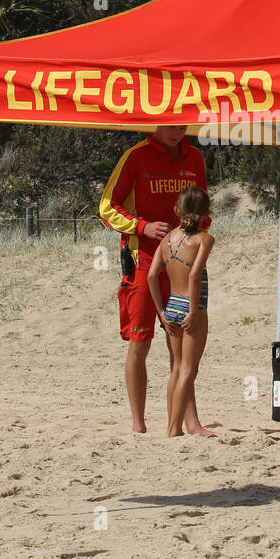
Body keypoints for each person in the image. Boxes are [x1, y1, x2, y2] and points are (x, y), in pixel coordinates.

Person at [99, 125, 210, 434]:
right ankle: (139, 424)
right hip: (142, 258)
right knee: (140, 342)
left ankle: (191, 422)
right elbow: (106, 206)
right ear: (156, 123)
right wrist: (141, 226)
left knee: (182, 346)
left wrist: (194, 236)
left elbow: (204, 204)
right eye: (171, 125)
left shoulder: (195, 157)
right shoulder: (135, 156)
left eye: (183, 125)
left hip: (180, 262)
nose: (177, 131)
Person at [148, 187, 216, 437]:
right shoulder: (204, 239)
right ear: (207, 212)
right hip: (191, 305)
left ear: (177, 210)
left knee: (177, 368)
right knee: (189, 370)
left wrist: (161, 311)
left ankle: (174, 425)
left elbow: (152, 275)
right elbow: (196, 275)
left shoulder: (167, 240)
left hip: (172, 305)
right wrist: (195, 310)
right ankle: (173, 428)